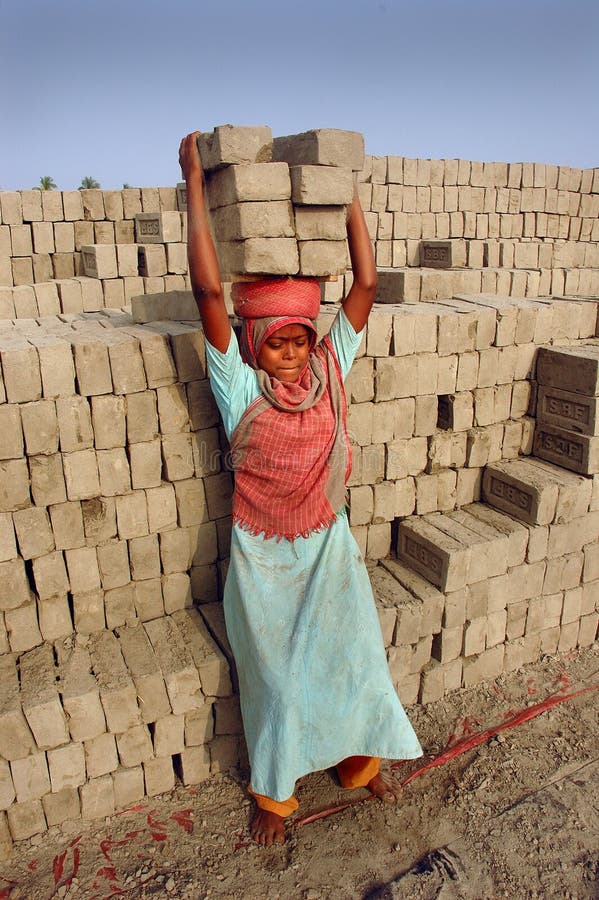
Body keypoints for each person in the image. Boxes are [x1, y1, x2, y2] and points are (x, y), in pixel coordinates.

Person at [179, 132, 422, 846]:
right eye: (275, 342)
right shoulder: (238, 387)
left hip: (326, 545)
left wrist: (344, 192)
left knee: (354, 664)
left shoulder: (329, 367)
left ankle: (358, 762)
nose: (290, 356)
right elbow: (205, 291)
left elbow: (366, 287)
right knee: (278, 683)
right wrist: (192, 180)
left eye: (299, 340)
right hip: (263, 559)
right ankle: (274, 794)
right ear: (252, 342)